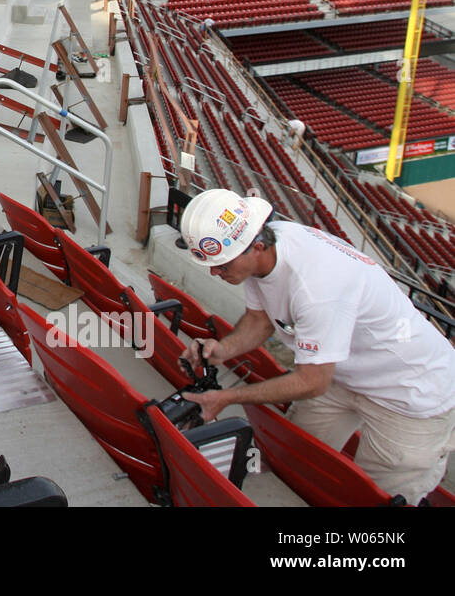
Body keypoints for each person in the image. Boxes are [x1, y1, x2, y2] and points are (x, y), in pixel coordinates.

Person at [178, 188, 455, 504]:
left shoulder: (318, 289)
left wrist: (226, 398)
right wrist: (221, 350)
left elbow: (312, 381)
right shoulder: (267, 247)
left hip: (412, 392)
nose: (215, 272)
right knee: (294, 455)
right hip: (342, 371)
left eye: (222, 265)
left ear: (256, 247)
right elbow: (260, 320)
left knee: (372, 497)